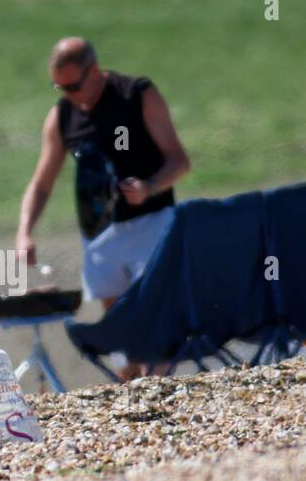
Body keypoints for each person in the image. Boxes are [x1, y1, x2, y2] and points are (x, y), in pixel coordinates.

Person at [15, 37, 192, 376]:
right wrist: (25, 231)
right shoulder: (63, 115)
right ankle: (134, 402)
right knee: (121, 338)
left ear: (94, 70)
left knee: (155, 324)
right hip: (99, 234)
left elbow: (179, 160)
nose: (67, 93)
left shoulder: (137, 94)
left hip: (151, 223)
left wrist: (150, 186)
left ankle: (158, 398)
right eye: (59, 86)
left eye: (74, 85)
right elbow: (41, 182)